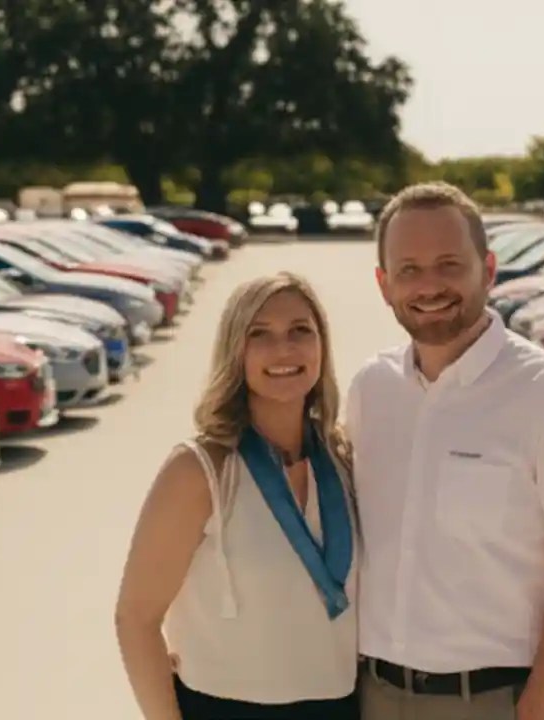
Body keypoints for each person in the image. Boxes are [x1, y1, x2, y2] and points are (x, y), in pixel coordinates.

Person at [347, 182, 544, 720]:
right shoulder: (370, 389)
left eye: (449, 264)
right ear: (384, 285)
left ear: (489, 269)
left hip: (490, 703)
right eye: (408, 270)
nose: (429, 286)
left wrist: (538, 710)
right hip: (370, 696)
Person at [115, 273, 360, 720]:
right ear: (236, 352)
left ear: (321, 345)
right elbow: (136, 617)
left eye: (300, 331)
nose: (283, 350)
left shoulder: (345, 458)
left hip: (342, 706)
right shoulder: (199, 470)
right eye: (259, 335)